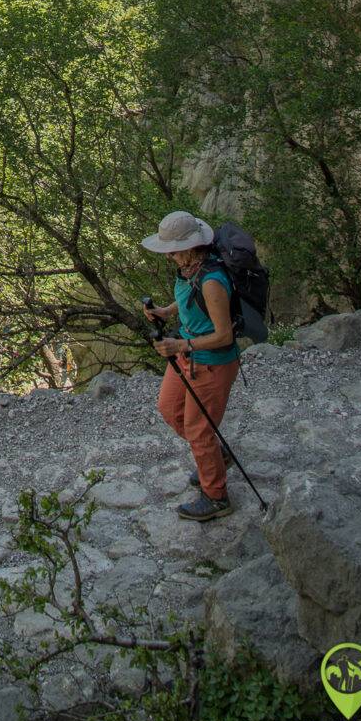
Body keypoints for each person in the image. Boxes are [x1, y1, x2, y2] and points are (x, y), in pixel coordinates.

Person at [142, 211, 241, 522]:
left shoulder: (212, 280)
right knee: (170, 409)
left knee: (198, 430)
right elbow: (186, 300)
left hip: (210, 363)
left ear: (191, 247)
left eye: (172, 250)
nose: (168, 255)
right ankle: (215, 456)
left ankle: (216, 496)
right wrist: (165, 311)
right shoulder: (188, 270)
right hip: (187, 356)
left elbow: (224, 334)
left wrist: (181, 345)